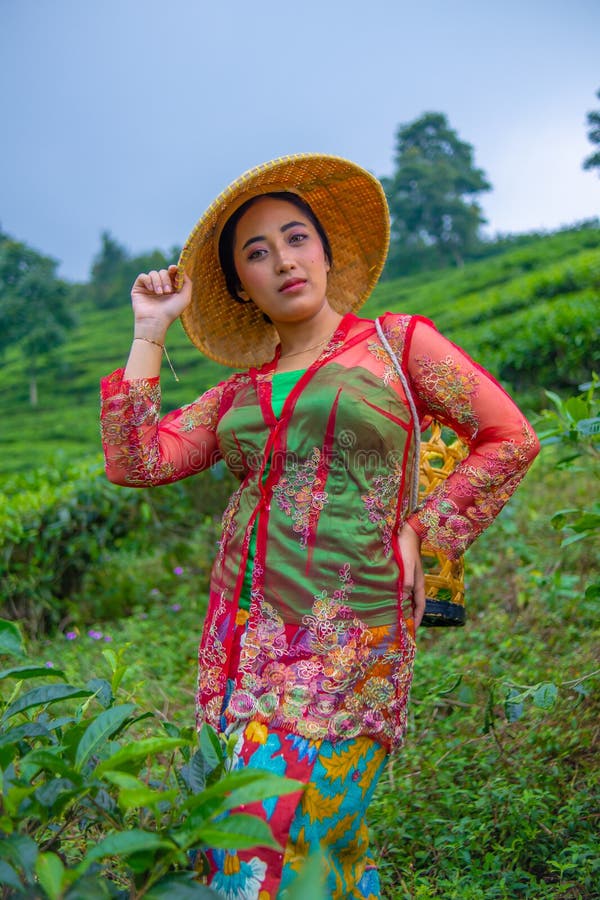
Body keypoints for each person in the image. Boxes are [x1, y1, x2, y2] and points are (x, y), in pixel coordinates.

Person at [100, 154, 540, 898]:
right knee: (253, 849)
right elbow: (135, 460)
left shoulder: (398, 346)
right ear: (242, 286)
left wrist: (421, 535)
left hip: (347, 632)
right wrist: (150, 331)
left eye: (297, 238)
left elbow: (509, 436)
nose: (284, 261)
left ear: (328, 253)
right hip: (237, 643)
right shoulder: (240, 390)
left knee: (290, 839)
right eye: (257, 252)